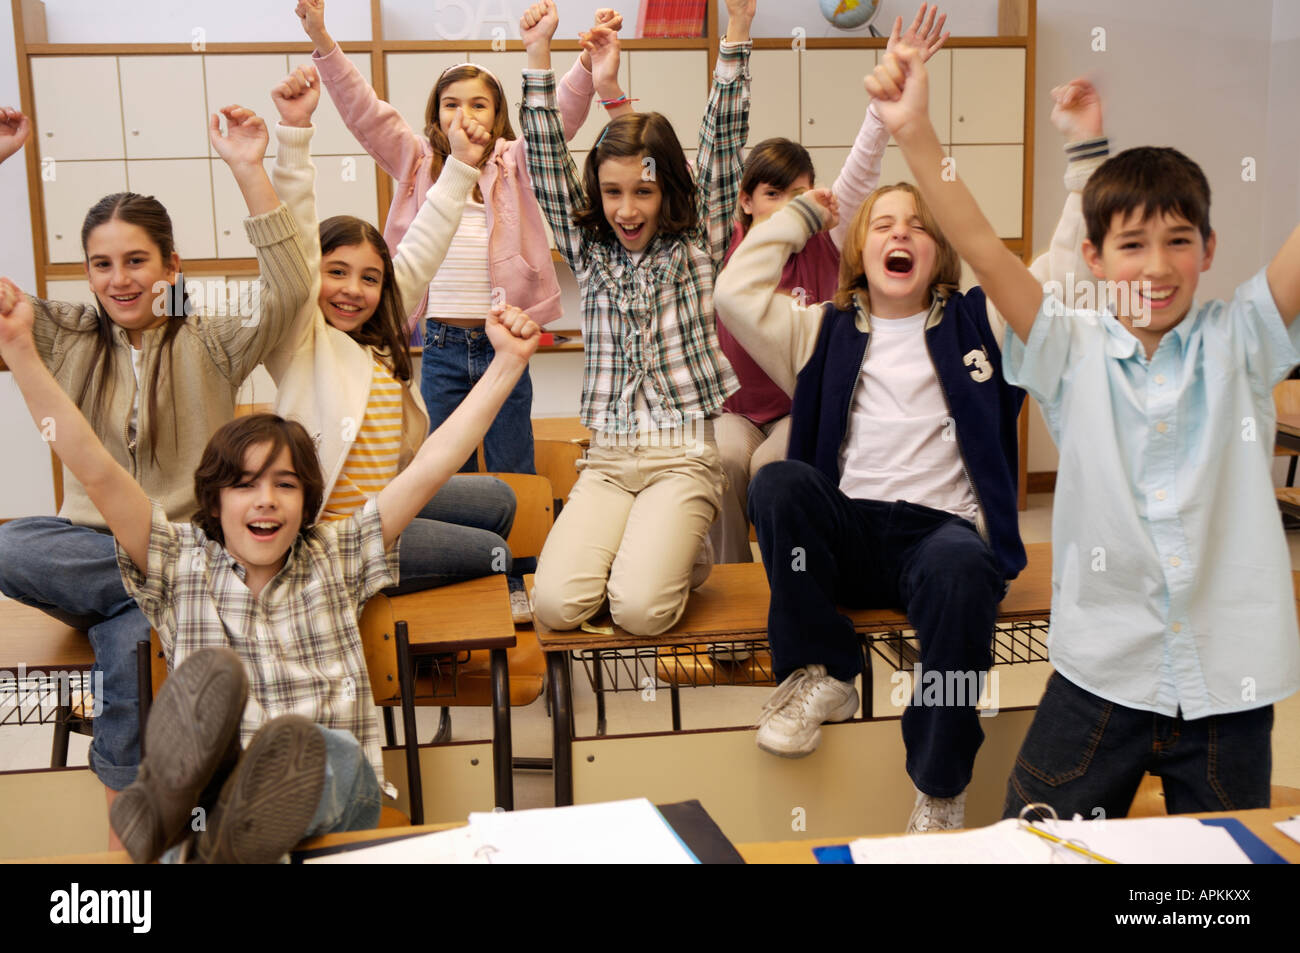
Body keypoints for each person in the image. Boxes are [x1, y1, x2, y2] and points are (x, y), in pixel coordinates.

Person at [868, 44, 1300, 818]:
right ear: (1095, 259)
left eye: (1177, 240)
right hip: (1103, 676)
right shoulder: (1067, 347)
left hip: (1231, 684)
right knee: (1029, 846)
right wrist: (917, 131)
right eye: (1132, 245)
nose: (1156, 266)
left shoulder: (1243, 339)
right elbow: (977, 245)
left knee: (1219, 884)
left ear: (1208, 249)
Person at [0, 274, 540, 862]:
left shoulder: (339, 554)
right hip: (219, 802)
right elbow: (95, 466)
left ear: (307, 504)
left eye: (285, 485)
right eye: (245, 486)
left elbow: (435, 462)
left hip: (337, 798)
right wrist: (20, 351)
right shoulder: (177, 561)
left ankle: (199, 832)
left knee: (315, 753)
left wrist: (507, 364)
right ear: (214, 503)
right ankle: (208, 830)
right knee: (223, 789)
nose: (265, 500)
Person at [714, 73, 1110, 831]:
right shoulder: (819, 329)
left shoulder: (979, 322)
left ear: (944, 249)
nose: (901, 234)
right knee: (780, 479)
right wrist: (803, 212)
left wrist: (1082, 147)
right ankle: (825, 672)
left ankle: (938, 785)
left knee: (963, 570)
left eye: (919, 225)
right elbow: (735, 292)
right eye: (883, 223)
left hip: (940, 536)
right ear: (857, 249)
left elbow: (1061, 272)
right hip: (851, 530)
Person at [0, 103, 310, 844]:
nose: (119, 279)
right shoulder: (63, 332)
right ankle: (156, 584)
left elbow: (292, 292)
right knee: (12, 546)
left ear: (172, 267)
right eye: (102, 264)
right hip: (96, 552)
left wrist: (247, 169)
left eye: (137, 261)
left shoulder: (211, 335)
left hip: (190, 547)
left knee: (134, 638)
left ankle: (127, 845)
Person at [295, 0, 616, 476]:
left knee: (513, 466)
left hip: (504, 342)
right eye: (451, 104)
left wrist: (586, 65)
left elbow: (557, 121)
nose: (463, 113)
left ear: (498, 115)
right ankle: (462, 552)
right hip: (441, 344)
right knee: (444, 472)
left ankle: (521, 555)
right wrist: (322, 38)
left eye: (478, 104)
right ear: (436, 114)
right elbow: (364, 110)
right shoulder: (415, 160)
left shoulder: (516, 161)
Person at [521, 0, 755, 637]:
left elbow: (723, 142)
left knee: (640, 614)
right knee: (555, 607)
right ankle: (653, 552)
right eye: (613, 191)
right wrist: (539, 55)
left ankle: (677, 555)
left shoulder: (696, 239)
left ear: (667, 191)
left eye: (643, 191)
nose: (626, 208)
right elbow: (543, 163)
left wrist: (737, 29)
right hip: (607, 461)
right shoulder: (588, 248)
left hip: (682, 456)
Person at [263, 64, 524, 605]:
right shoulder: (302, 336)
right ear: (313, 276)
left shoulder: (379, 332)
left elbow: (429, 236)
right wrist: (294, 136)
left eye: (369, 278)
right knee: (486, 551)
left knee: (498, 499)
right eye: (335, 272)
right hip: (342, 534)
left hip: (386, 498)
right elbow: (294, 228)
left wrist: (460, 167)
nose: (352, 290)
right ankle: (416, 636)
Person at [711, 2, 949, 564]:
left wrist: (884, 101)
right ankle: (734, 586)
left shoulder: (828, 236)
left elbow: (864, 166)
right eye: (774, 195)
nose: (789, 206)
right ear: (746, 201)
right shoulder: (726, 244)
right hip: (736, 410)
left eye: (801, 193)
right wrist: (736, 33)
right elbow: (718, 143)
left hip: (802, 405)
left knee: (777, 470)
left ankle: (787, 583)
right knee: (719, 462)